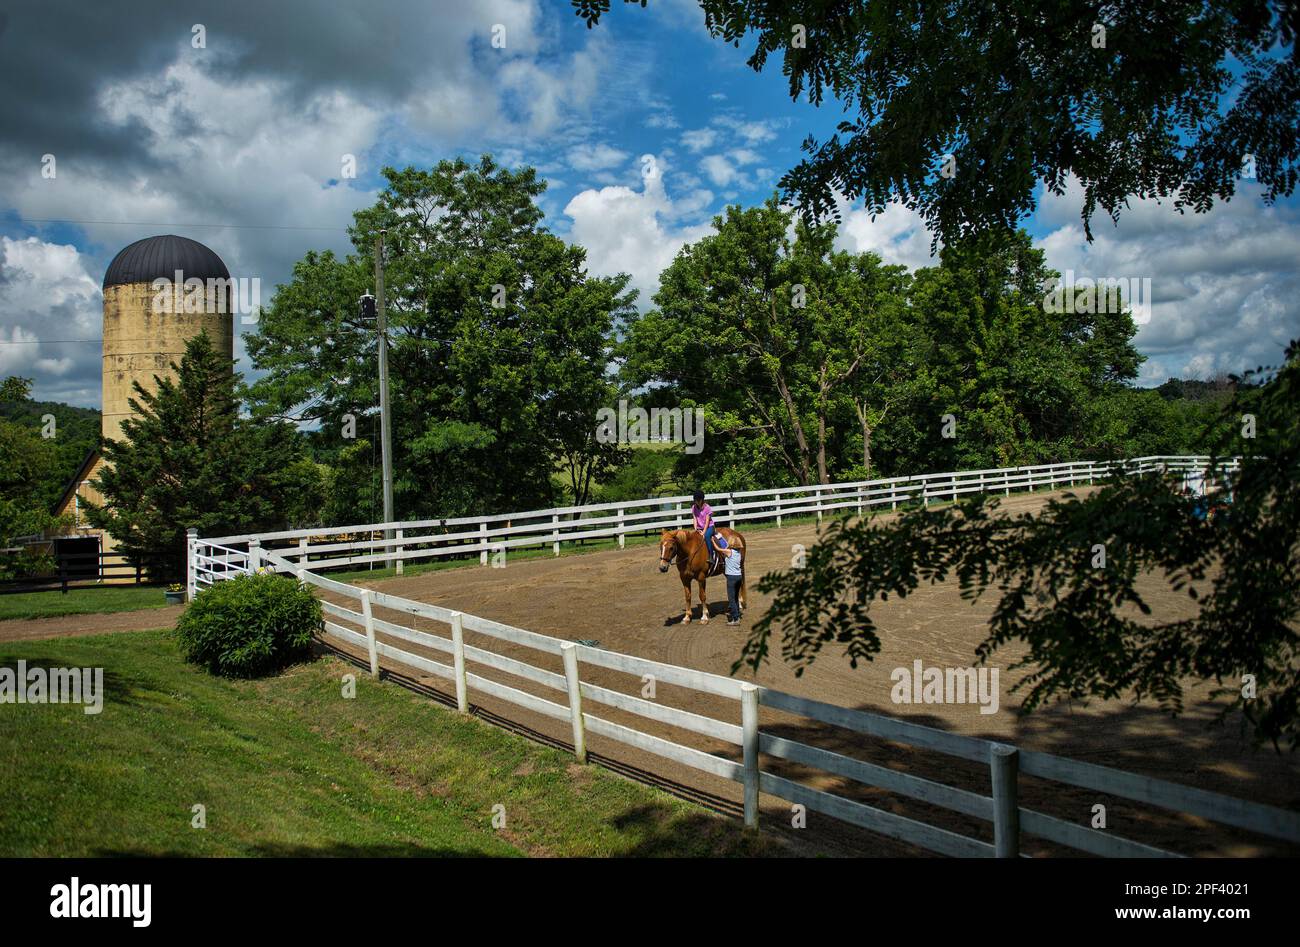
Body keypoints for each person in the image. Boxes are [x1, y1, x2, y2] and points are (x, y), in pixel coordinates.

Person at [722, 542, 744, 625]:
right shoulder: (739, 553)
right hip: (739, 577)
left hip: (731, 578)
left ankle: (735, 619)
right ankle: (737, 615)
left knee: (731, 599)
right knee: (735, 597)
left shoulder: (729, 552)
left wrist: (713, 542)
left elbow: (718, 549)